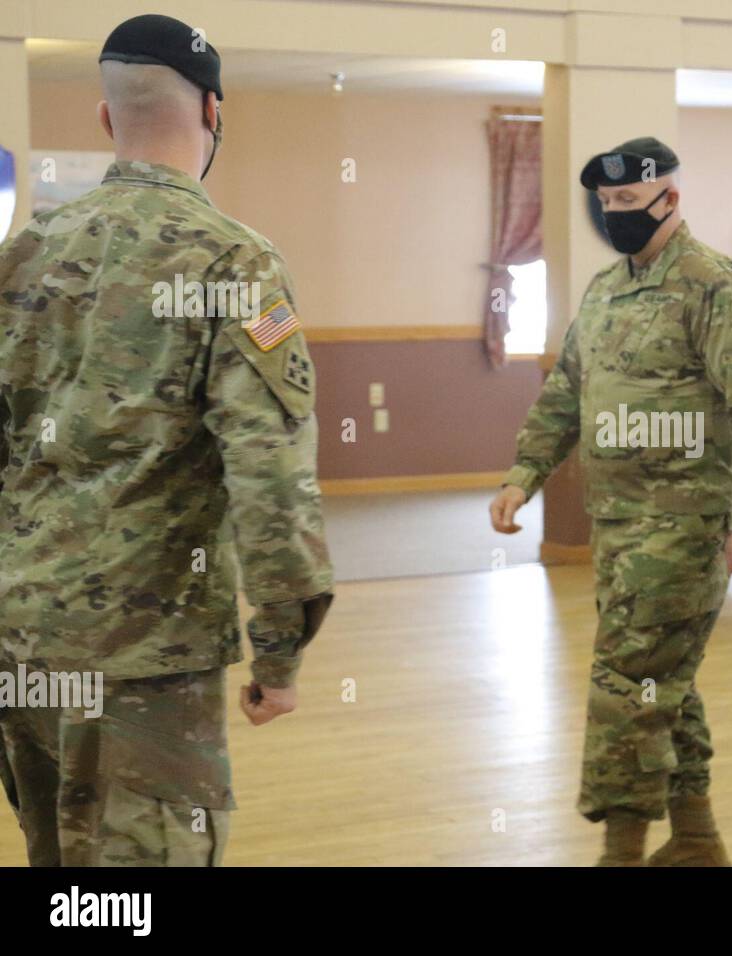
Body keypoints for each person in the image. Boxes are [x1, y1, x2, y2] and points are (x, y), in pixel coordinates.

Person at [0, 14, 333, 866]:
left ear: (105, 117)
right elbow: (270, 472)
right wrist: (280, 650)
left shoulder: (25, 253)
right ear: (215, 111)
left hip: (24, 641)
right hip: (146, 655)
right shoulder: (234, 263)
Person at [490, 137, 732, 866]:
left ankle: (620, 851)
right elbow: (566, 390)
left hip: (685, 526)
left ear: (670, 198)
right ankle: (696, 839)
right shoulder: (605, 289)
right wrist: (524, 473)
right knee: (661, 680)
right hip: (620, 525)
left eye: (628, 200)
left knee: (626, 682)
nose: (614, 213)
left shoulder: (713, 286)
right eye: (606, 202)